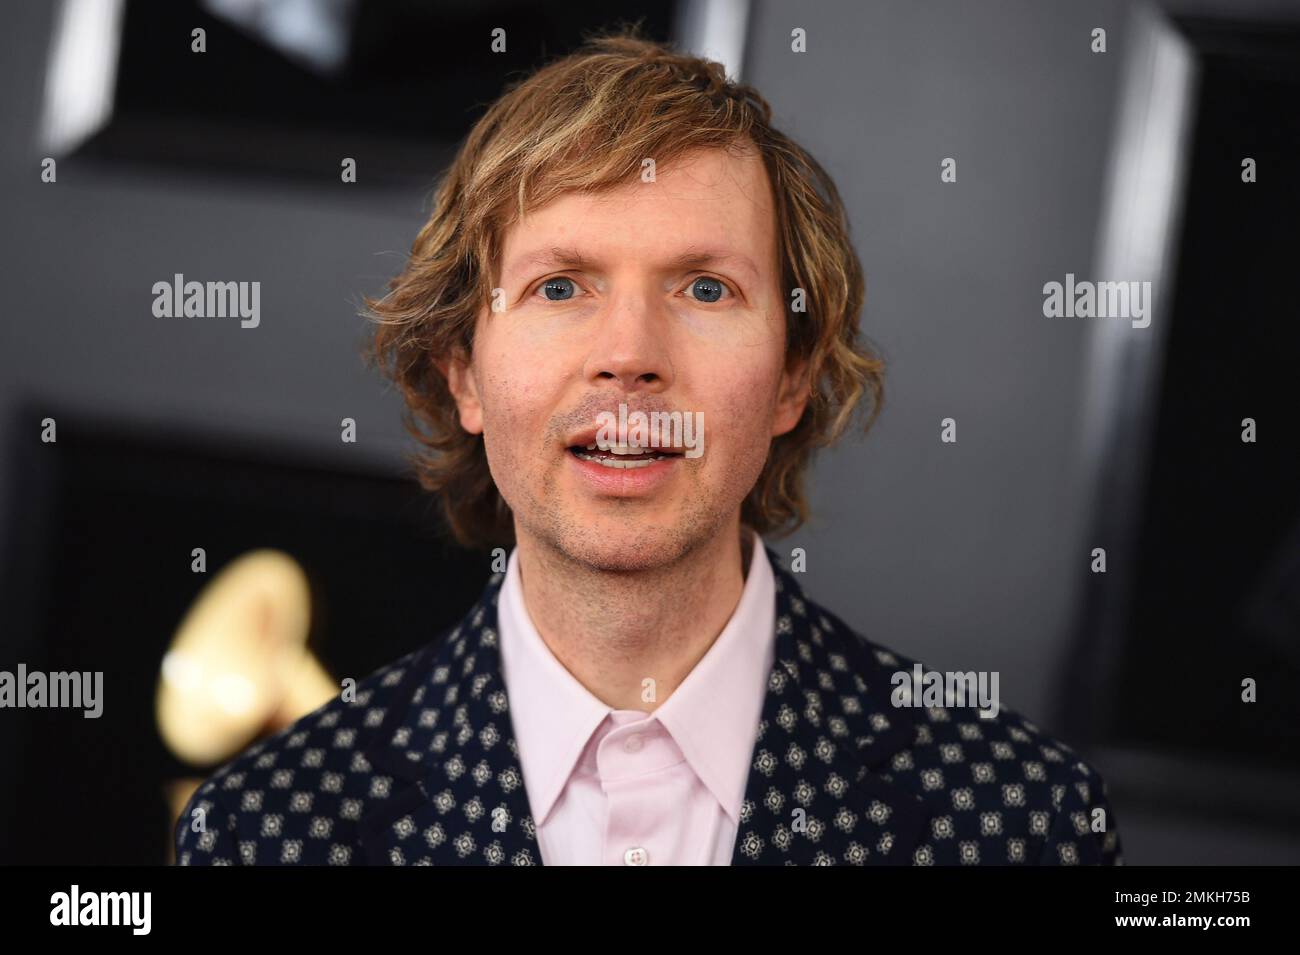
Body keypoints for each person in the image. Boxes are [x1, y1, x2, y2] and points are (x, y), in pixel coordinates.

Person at [175, 28, 1122, 866]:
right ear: (462, 370)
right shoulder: (262, 834)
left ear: (793, 375)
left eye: (705, 290)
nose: (628, 356)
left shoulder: (1023, 822)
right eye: (559, 287)